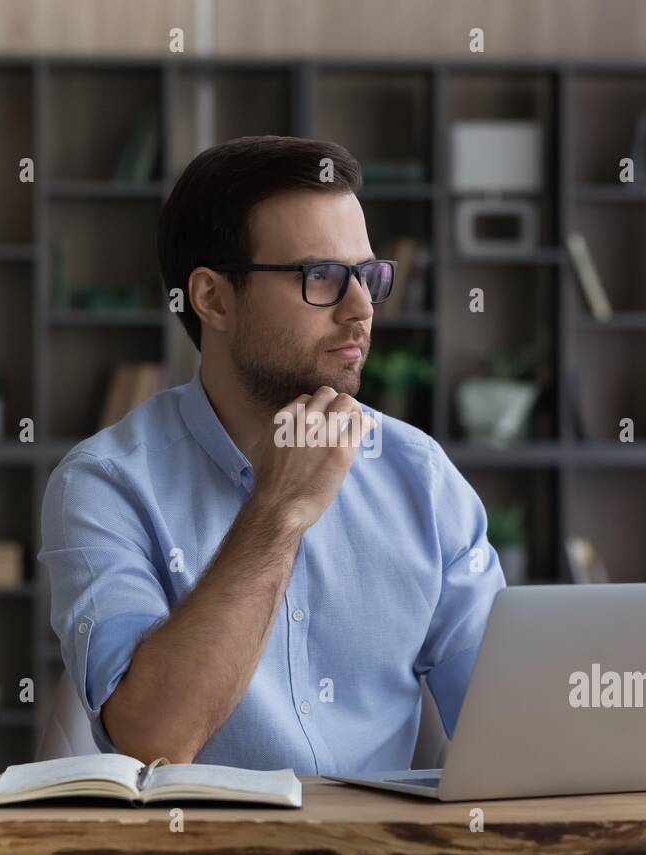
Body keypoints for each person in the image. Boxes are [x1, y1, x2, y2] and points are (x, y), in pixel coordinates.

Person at [38, 135, 506, 774]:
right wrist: (280, 511)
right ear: (213, 299)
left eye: (368, 276)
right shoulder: (105, 485)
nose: (362, 309)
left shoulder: (419, 477)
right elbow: (153, 740)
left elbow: (510, 731)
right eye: (321, 277)